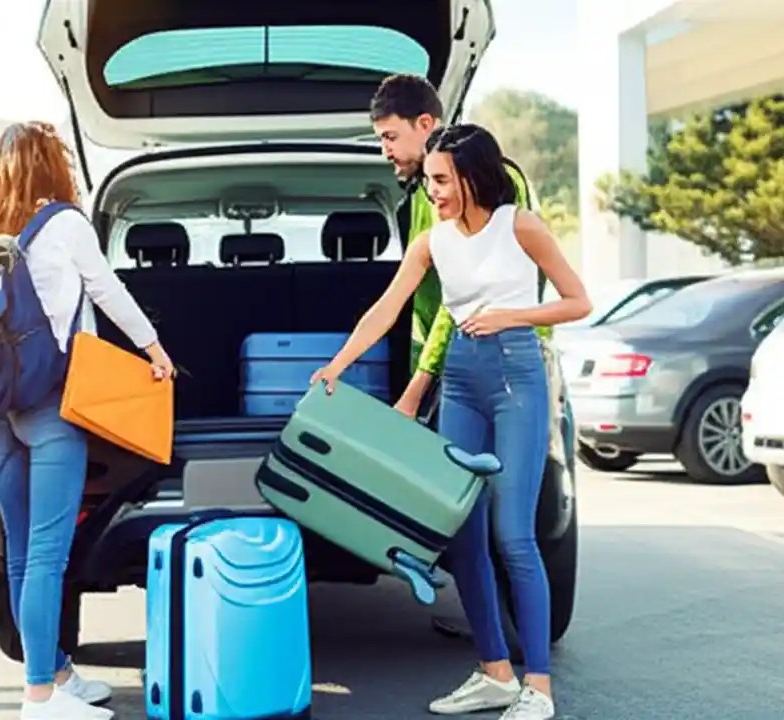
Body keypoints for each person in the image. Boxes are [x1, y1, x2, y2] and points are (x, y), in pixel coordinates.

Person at [310, 124, 591, 720]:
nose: (431, 191)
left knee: (512, 534)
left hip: (516, 374)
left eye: (441, 180)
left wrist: (509, 315)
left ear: (471, 177)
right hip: (461, 378)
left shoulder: (520, 226)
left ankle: (537, 687)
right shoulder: (432, 241)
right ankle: (493, 673)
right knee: (462, 535)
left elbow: (577, 300)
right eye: (431, 179)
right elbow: (386, 309)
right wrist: (335, 366)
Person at [0, 121, 174, 720]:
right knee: (46, 554)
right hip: (52, 406)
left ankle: (57, 673)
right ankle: (40, 696)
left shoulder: (1, 236)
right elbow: (108, 289)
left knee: (19, 554)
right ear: (53, 167)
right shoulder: (66, 223)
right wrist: (155, 349)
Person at [367, 73, 544, 418]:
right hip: (442, 365)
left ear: (425, 124)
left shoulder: (492, 184)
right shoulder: (418, 195)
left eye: (390, 137)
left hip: (498, 365)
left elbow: (470, 296)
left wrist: (414, 391)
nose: (384, 150)